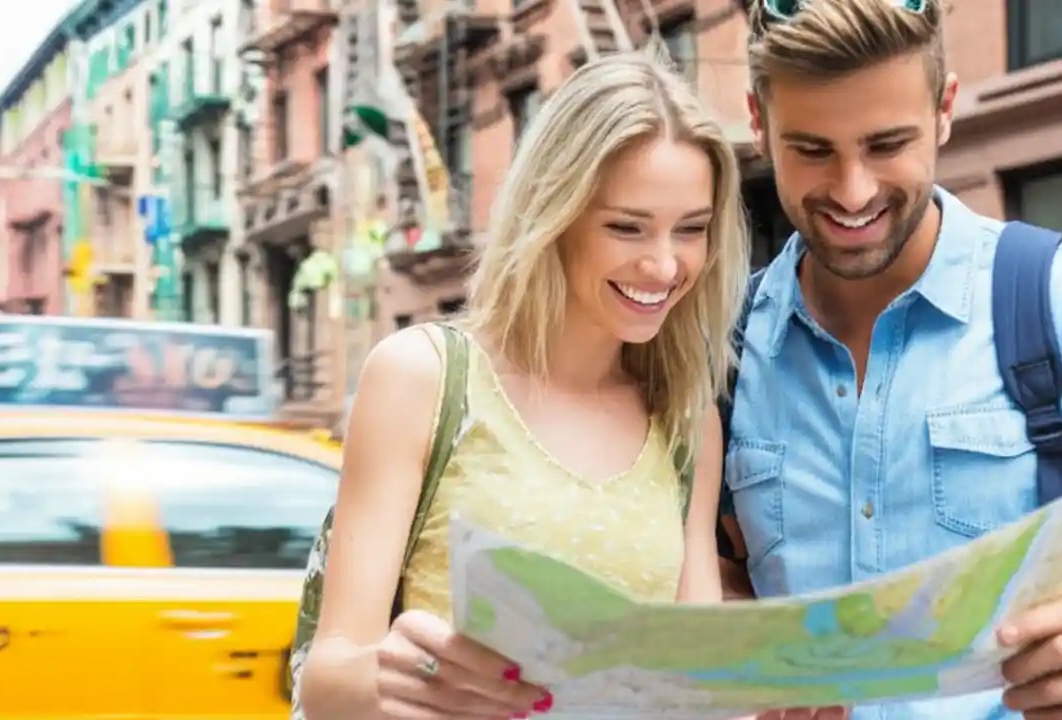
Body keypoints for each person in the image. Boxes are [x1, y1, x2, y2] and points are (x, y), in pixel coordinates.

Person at [719, 0, 1062, 719]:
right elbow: (717, 578)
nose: (853, 191)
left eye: (887, 144)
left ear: (944, 109)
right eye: (813, 150)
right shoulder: (722, 349)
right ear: (758, 123)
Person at [292, 50, 776, 720]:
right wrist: (406, 675)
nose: (665, 265)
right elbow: (326, 679)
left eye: (691, 230)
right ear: (555, 214)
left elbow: (689, 691)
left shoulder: (688, 421)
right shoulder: (423, 377)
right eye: (626, 227)